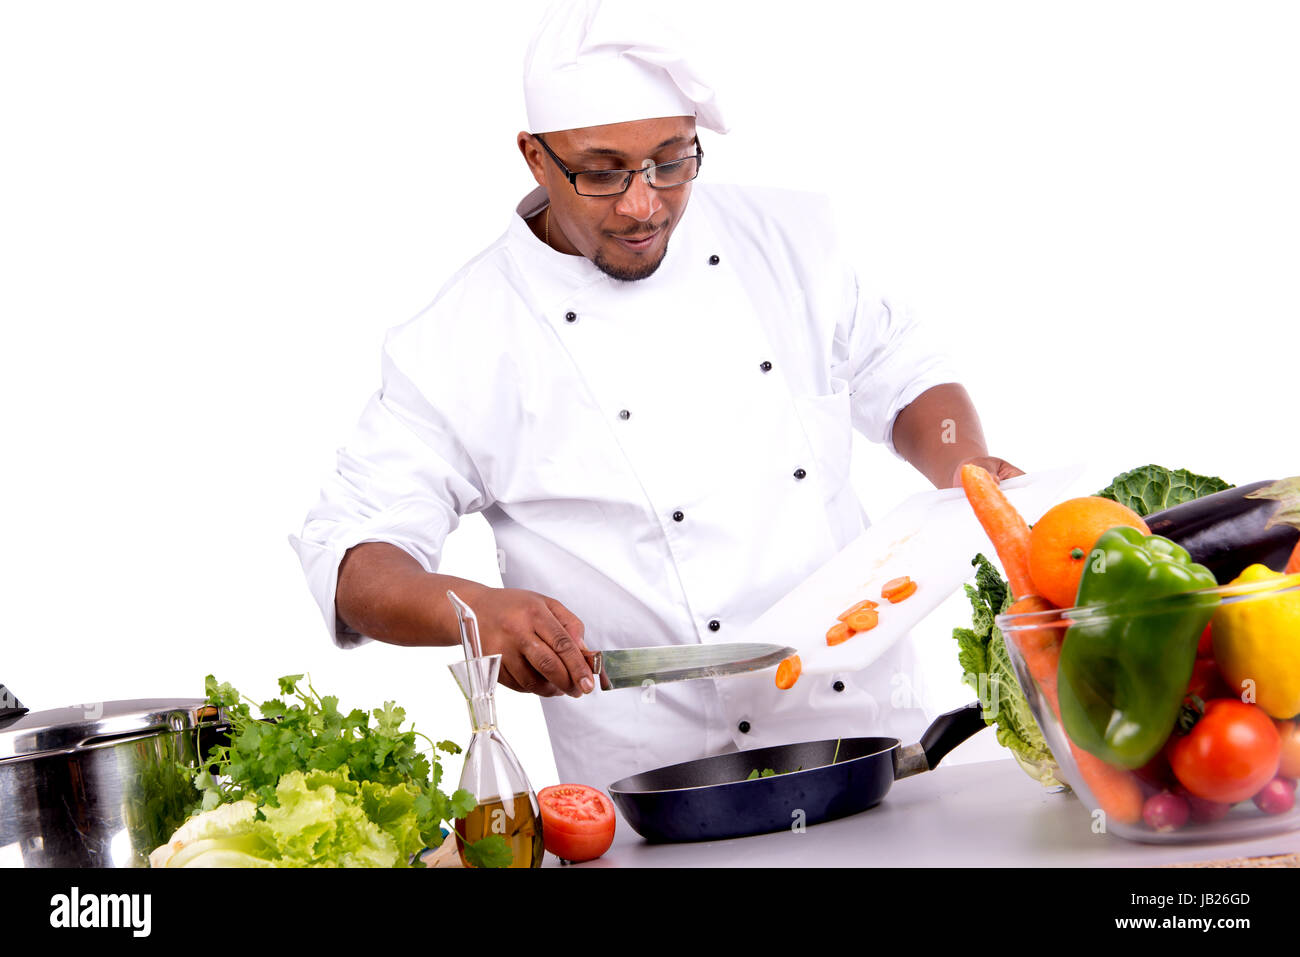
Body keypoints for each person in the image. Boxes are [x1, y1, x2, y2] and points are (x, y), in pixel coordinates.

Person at [290, 0, 1022, 788]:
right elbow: (352, 555)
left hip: (876, 752)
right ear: (535, 157)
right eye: (601, 172)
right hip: (658, 795)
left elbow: (903, 368)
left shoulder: (787, 239)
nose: (644, 205)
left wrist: (970, 469)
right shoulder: (462, 338)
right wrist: (470, 611)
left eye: (671, 161)